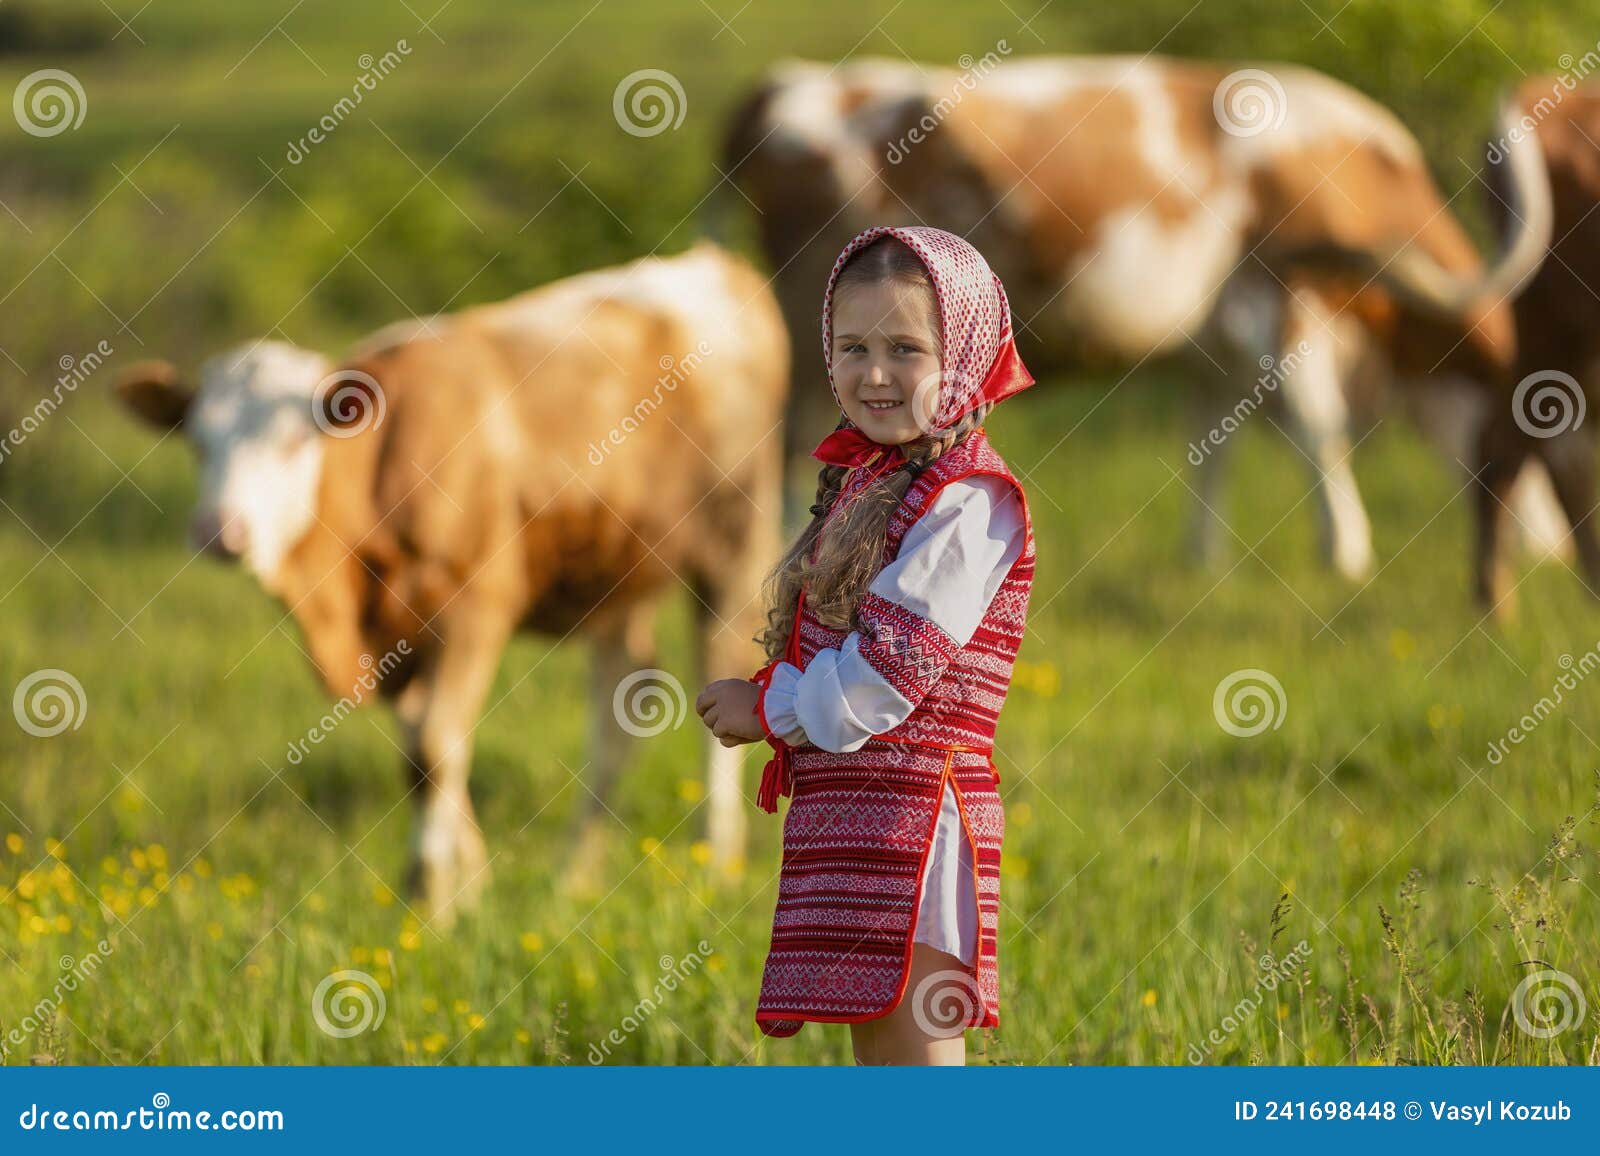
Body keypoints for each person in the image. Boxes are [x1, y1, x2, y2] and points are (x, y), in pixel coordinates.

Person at [694, 224, 1038, 1065]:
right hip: (857, 813)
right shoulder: (875, 480)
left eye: (905, 348)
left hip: (918, 820)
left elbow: (886, 675)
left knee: (917, 1057)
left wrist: (768, 709)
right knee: (875, 1051)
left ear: (962, 355)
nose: (873, 373)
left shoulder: (967, 503)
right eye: (851, 347)